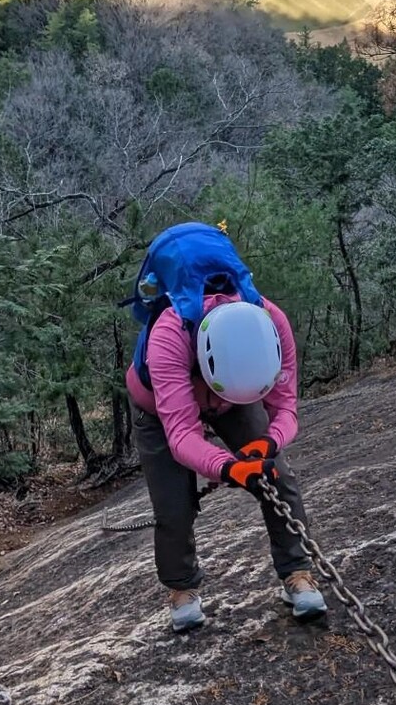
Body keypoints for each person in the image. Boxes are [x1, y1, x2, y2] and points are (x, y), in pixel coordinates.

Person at [124, 222, 327, 632]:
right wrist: (228, 467)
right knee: (173, 505)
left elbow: (285, 407)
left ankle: (297, 571)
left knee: (277, 476)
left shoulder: (271, 320)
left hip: (235, 398)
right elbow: (181, 434)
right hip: (159, 409)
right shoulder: (169, 335)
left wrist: (269, 443)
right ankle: (181, 587)